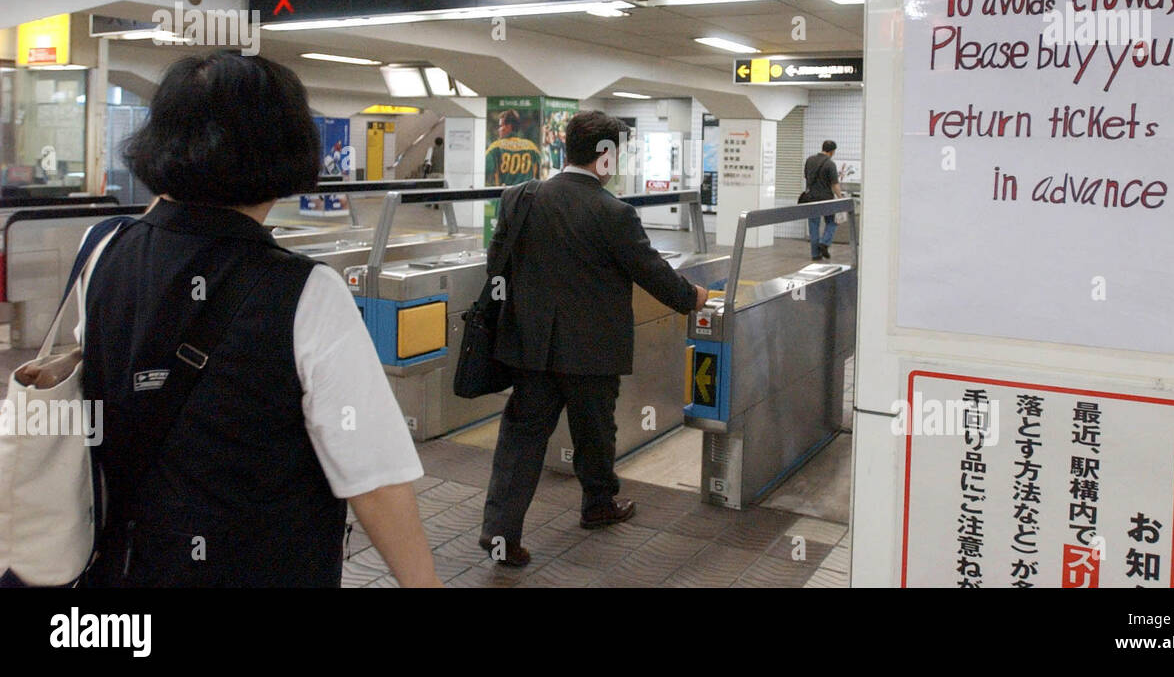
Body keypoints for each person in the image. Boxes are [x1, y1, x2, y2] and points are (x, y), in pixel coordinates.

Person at [80, 51, 439, 587]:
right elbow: (376, 480)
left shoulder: (102, 248)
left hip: (125, 568)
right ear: (284, 151)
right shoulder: (307, 292)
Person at [479, 110, 710, 566]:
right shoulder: (613, 212)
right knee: (595, 431)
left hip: (530, 346)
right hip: (591, 350)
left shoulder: (519, 197)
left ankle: (500, 531)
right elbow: (651, 272)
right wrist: (693, 298)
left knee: (521, 438)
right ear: (605, 156)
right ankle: (598, 505)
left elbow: (495, 264)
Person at [804, 140, 843, 260]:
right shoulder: (830, 164)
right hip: (826, 199)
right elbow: (835, 184)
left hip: (811, 198)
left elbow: (806, 177)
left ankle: (815, 254)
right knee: (832, 222)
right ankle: (825, 243)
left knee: (813, 225)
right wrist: (840, 198)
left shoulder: (809, 160)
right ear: (832, 151)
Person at [485, 108, 542, 185]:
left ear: (509, 126)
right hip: (527, 194)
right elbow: (541, 172)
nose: (499, 129)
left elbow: (487, 169)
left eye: (501, 126)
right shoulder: (532, 147)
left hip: (505, 194)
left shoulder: (495, 147)